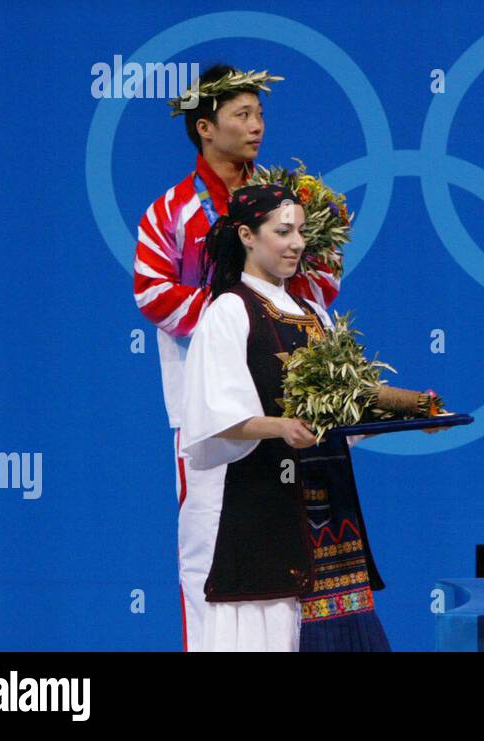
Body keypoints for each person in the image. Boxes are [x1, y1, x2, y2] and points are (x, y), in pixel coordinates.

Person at [133, 65, 340, 650]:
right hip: (208, 407)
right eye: (242, 115)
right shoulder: (173, 209)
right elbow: (151, 290)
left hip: (289, 398)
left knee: (293, 552)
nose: (257, 126)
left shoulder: (291, 203)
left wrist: (282, 301)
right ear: (205, 127)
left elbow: (323, 280)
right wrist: (238, 315)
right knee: (207, 546)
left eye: (260, 114)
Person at [180, 183, 390, 651]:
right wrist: (279, 427)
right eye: (282, 231)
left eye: (300, 230)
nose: (296, 242)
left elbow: (347, 405)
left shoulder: (315, 313)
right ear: (247, 236)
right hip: (264, 507)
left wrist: (416, 412)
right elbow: (215, 414)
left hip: (331, 509)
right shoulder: (230, 311)